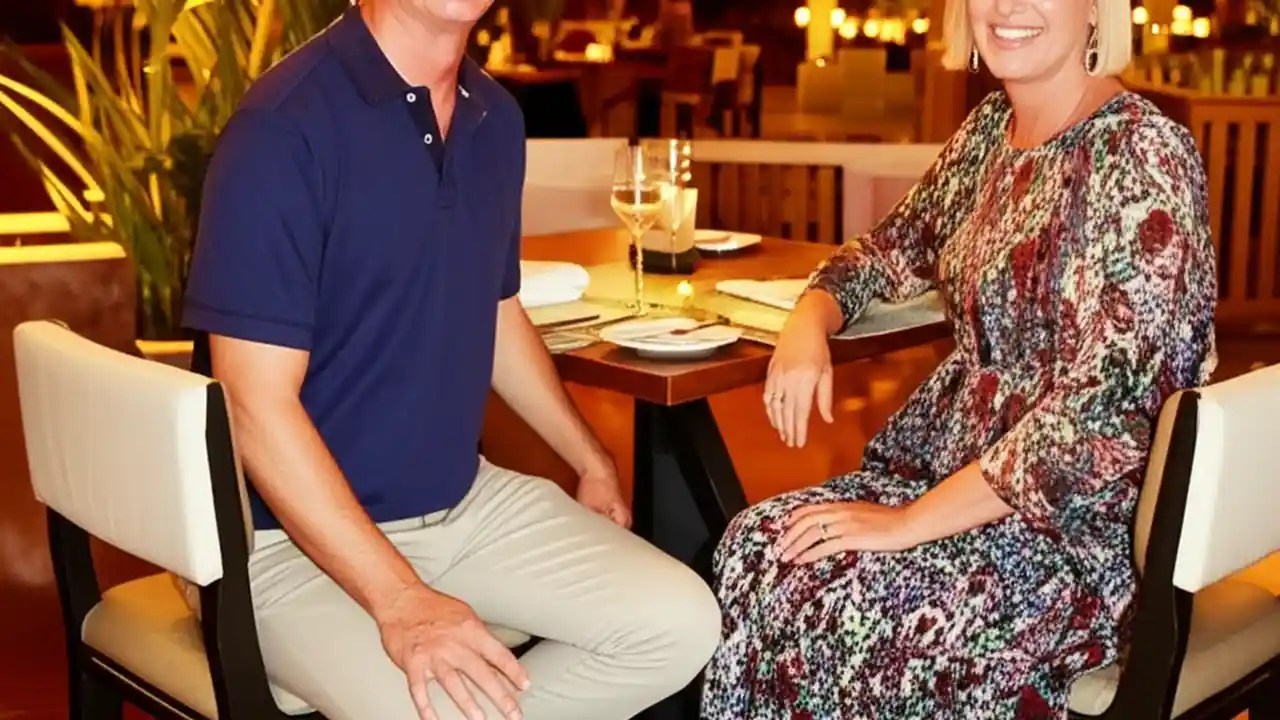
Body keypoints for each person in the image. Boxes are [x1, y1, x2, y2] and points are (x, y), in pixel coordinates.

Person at [182, 2, 721, 719]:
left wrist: (588, 457)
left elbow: (494, 311)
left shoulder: (494, 119)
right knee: (431, 708)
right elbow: (253, 408)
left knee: (681, 623)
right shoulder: (283, 126)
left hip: (463, 503)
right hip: (281, 542)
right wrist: (403, 602)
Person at [700, 0, 1218, 715]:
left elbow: (1108, 415)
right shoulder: (986, 133)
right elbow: (887, 250)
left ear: (1097, 9)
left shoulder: (1144, 154)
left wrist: (909, 523)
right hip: (947, 474)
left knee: (853, 608)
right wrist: (808, 318)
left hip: (1076, 533)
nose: (1006, 7)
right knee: (754, 549)